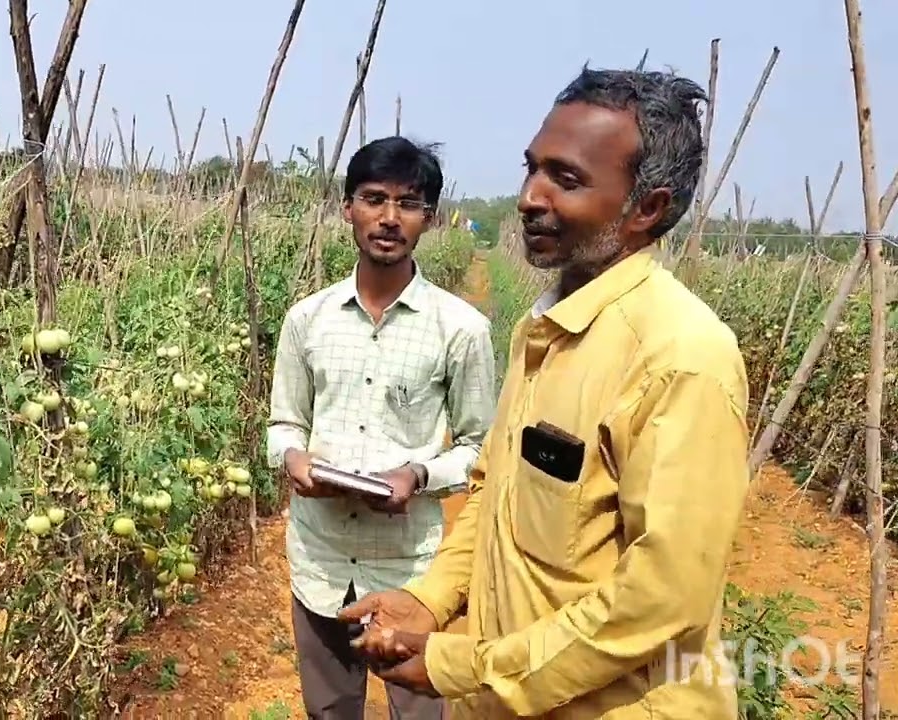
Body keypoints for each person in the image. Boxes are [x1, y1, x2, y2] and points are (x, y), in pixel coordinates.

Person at [340, 67, 751, 719]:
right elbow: (493, 492)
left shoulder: (680, 356)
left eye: (566, 178)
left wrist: (461, 664)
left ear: (647, 208)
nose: (530, 196)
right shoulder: (544, 329)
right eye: (533, 169)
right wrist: (433, 600)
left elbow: (663, 599)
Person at [266, 135, 496, 719]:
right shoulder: (307, 320)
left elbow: (478, 448)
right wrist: (293, 460)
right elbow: (285, 422)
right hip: (320, 560)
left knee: (419, 712)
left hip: (408, 571)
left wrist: (417, 474)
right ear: (348, 207)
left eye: (408, 203)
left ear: (429, 217)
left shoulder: (461, 330)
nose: (389, 218)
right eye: (373, 198)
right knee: (329, 710)